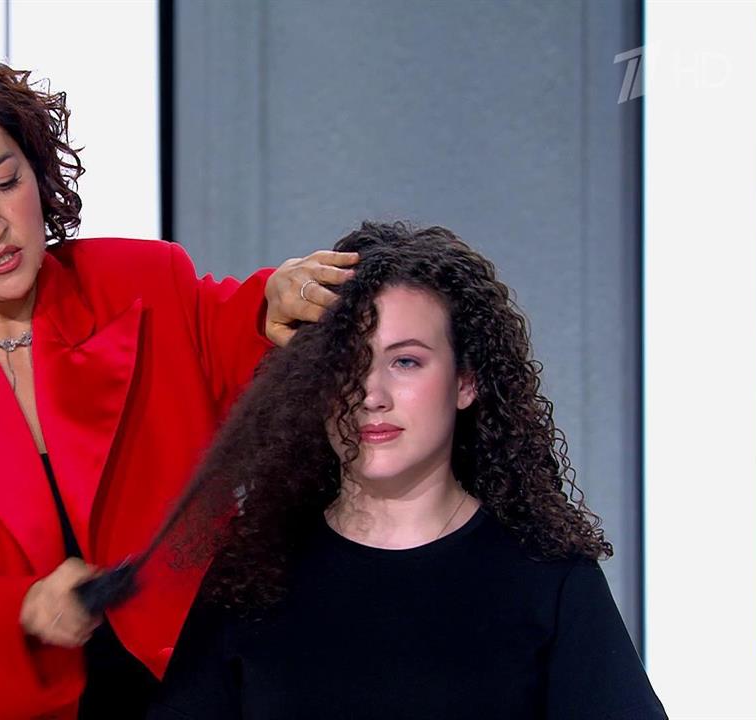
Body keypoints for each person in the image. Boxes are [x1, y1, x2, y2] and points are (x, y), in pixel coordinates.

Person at [0, 44, 356, 719]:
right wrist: (23, 606)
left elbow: (238, 327)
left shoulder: (145, 283)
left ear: (37, 172)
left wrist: (279, 298)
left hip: (189, 682)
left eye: (5, 181)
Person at [150, 221, 666, 719]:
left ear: (466, 382)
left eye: (406, 362)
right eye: (347, 362)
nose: (371, 395)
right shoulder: (252, 574)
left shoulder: (549, 577)